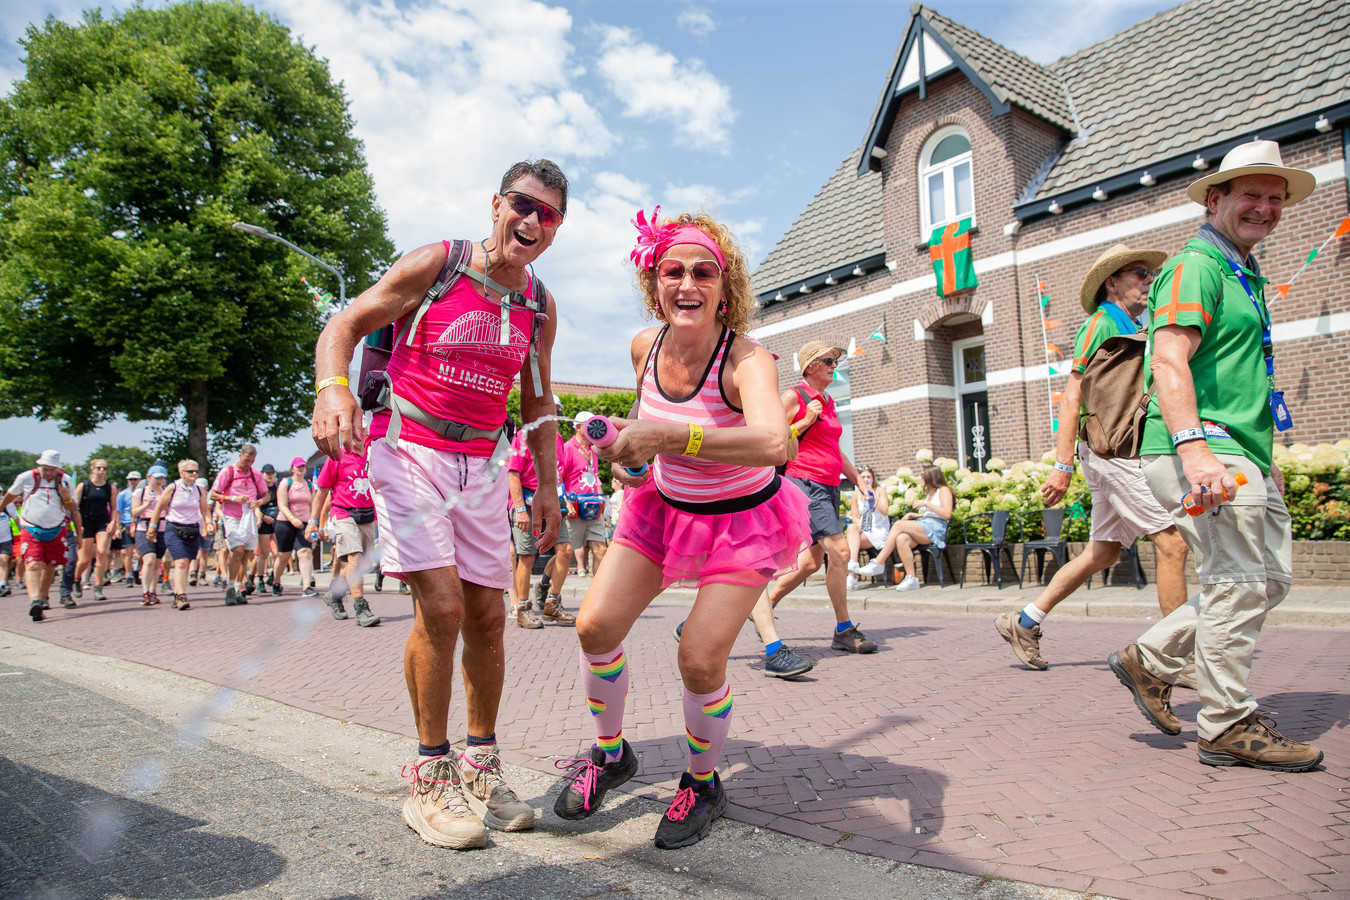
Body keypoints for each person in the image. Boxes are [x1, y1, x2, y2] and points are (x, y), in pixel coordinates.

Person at [312, 159, 566, 850]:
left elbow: (539, 403)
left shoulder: (538, 304)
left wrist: (545, 485)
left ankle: (481, 766)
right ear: (496, 204)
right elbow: (345, 323)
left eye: (548, 214)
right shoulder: (439, 263)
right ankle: (429, 777)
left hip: (485, 462)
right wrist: (332, 389)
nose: (532, 221)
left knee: (490, 615)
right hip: (411, 448)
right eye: (523, 204)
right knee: (445, 607)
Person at [551, 208, 810, 849]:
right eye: (673, 271)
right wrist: (631, 463)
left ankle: (702, 783)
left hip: (740, 523)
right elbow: (643, 422)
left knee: (698, 656)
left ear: (726, 288)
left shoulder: (746, 359)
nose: (686, 284)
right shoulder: (645, 347)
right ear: (654, 281)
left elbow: (775, 442)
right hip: (662, 511)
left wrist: (673, 436)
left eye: (703, 272)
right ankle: (611, 756)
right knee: (595, 625)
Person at [1107, 140, 1322, 772]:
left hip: (1239, 450)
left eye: (1274, 198)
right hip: (1202, 447)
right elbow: (1169, 357)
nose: (1264, 207)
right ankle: (1226, 722)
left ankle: (1151, 659)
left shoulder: (1241, 271)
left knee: (1269, 578)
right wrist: (1196, 451)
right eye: (1249, 195)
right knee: (1236, 580)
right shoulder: (1196, 265)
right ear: (1215, 199)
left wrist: (1262, 455)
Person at [996, 245, 1191, 670]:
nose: (1148, 280)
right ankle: (1174, 656)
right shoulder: (1102, 324)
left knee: (1102, 554)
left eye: (1150, 274)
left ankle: (1025, 621)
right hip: (1112, 453)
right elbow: (1071, 398)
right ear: (1112, 281)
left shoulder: (1132, 324)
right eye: (1140, 273)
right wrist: (1062, 466)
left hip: (1114, 450)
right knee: (1173, 543)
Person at [764, 341, 875, 653]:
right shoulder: (794, 396)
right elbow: (773, 439)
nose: (833, 365)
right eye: (827, 360)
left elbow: (834, 450)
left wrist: (859, 482)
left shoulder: (828, 401)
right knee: (840, 552)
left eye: (834, 360)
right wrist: (804, 421)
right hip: (805, 483)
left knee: (812, 562)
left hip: (829, 485)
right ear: (810, 366)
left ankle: (764, 604)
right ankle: (843, 629)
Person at [507, 395, 575, 628]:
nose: (554, 415)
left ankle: (551, 604)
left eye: (556, 411)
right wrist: (519, 510)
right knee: (526, 556)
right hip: (527, 503)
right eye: (551, 411)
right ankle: (523, 608)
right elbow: (513, 474)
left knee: (565, 550)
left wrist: (564, 501)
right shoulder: (523, 436)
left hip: (552, 503)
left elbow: (559, 475)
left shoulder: (556, 438)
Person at [1, 450, 82, 621]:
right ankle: (35, 601)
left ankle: (42, 599)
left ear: (57, 468)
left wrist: (66, 497)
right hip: (31, 528)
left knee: (49, 567)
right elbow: (11, 494)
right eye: (45, 469)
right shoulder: (26, 477)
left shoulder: (65, 480)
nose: (48, 473)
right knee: (33, 564)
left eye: (51, 469)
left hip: (56, 529)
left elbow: (72, 507)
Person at [312, 446, 380, 627]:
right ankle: (361, 608)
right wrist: (313, 520)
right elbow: (322, 490)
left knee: (358, 565)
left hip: (367, 515)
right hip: (343, 513)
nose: (361, 433)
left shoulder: (374, 453)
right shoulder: (337, 456)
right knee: (355, 559)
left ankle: (334, 594)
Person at [863, 464, 953, 592]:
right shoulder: (930, 493)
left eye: (922, 475)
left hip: (936, 528)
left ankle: (879, 561)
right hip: (926, 524)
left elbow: (946, 514)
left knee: (898, 524)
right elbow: (930, 514)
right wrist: (913, 515)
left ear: (930, 476)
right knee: (902, 538)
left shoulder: (943, 490)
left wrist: (926, 503)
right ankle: (912, 578)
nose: (920, 478)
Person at [209, 444, 268, 605]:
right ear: (240, 456)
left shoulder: (255, 474)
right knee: (238, 550)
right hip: (232, 516)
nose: (248, 464)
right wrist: (233, 499)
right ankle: (229, 587)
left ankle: (238, 587)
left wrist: (258, 502)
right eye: (246, 460)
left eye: (251, 461)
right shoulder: (227, 472)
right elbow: (213, 495)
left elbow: (266, 495)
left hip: (248, 517)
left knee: (246, 554)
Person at [150, 460, 214, 610]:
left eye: (196, 471)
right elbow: (159, 507)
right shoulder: (173, 488)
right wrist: (152, 527)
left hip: (192, 529)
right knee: (181, 562)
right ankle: (181, 595)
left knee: (186, 564)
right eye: (191, 471)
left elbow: (204, 510)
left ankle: (177, 593)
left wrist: (208, 523)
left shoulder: (199, 490)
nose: (194, 474)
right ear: (182, 473)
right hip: (174, 528)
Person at [565, 412, 611, 581]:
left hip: (593, 507)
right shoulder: (567, 448)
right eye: (589, 425)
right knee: (565, 551)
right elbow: (557, 477)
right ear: (578, 427)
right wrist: (565, 502)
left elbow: (595, 478)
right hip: (574, 506)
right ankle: (546, 584)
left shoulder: (593, 450)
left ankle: (596, 597)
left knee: (600, 549)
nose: (594, 428)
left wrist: (602, 500)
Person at [73, 458, 118, 601]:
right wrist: (77, 524)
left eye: (105, 468)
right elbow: (74, 507)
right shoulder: (83, 486)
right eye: (99, 468)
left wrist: (113, 522)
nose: (102, 471)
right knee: (84, 560)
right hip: (86, 522)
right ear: (93, 469)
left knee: (102, 552)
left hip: (102, 522)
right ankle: (76, 579)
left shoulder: (110, 487)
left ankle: (98, 587)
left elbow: (114, 507)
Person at [274, 457, 317, 597]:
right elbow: (281, 504)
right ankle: (276, 581)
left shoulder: (309, 485)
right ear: (292, 468)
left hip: (304, 523)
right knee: (284, 555)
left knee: (305, 552)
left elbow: (313, 505)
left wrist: (313, 522)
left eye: (303, 466)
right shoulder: (286, 483)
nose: (301, 469)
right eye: (298, 466)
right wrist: (292, 518)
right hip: (285, 522)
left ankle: (306, 586)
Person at [844, 466, 891, 590]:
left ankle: (852, 576)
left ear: (873, 478)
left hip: (879, 530)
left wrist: (871, 494)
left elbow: (885, 511)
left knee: (850, 542)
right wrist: (861, 525)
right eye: (863, 477)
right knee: (852, 528)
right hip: (865, 529)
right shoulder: (856, 494)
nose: (866, 479)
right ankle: (853, 565)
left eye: (868, 477)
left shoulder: (879, 490)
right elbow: (854, 516)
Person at [131, 466, 170, 606]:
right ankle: (145, 591)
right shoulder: (140, 492)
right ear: (149, 477)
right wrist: (147, 504)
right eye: (157, 478)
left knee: (157, 562)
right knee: (149, 559)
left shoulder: (166, 492)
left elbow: (170, 511)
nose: (159, 481)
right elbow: (134, 513)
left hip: (162, 528)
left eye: (162, 478)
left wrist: (163, 503)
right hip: (144, 527)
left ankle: (153, 591)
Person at [253, 463, 280, 594]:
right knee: (263, 553)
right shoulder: (258, 489)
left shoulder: (277, 487)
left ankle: (274, 576)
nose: (270, 476)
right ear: (262, 474)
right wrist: (263, 517)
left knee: (279, 553)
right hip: (263, 523)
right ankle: (260, 580)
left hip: (275, 522)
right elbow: (255, 506)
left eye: (272, 473)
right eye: (267, 473)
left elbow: (281, 504)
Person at [115, 471, 140, 586]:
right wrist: (118, 528)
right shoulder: (122, 494)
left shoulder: (143, 492)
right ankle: (129, 576)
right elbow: (118, 511)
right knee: (128, 552)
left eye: (135, 479)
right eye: (131, 480)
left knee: (142, 553)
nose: (133, 482)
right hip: (127, 523)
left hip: (140, 523)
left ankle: (136, 569)